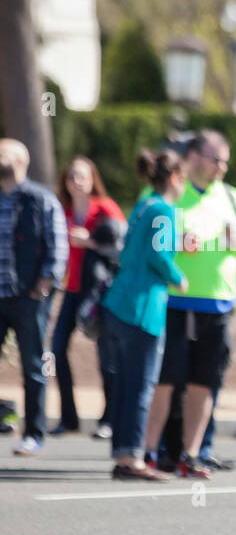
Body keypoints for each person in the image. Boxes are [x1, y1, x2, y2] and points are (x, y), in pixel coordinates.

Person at [144, 130, 236, 478]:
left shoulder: (232, 196)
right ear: (194, 157)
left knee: (204, 381)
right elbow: (146, 236)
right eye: (216, 159)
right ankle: (151, 452)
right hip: (172, 301)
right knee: (166, 380)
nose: (222, 167)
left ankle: (191, 455)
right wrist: (177, 242)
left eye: (225, 160)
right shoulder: (171, 192)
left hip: (217, 305)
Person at [99, 149, 188, 479]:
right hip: (143, 308)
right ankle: (133, 458)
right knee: (141, 386)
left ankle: (122, 455)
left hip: (118, 305)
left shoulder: (144, 204)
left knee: (123, 384)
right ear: (176, 178)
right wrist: (179, 277)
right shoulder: (165, 209)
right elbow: (159, 255)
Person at [0, 138, 68, 456]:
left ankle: (34, 432)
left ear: (21, 161)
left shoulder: (40, 199)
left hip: (28, 296)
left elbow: (58, 245)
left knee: (34, 365)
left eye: (4, 155)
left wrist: (45, 283)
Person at [51, 156, 124, 438]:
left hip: (99, 291)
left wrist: (90, 241)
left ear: (93, 179)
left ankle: (109, 418)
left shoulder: (105, 208)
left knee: (106, 356)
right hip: (71, 290)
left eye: (82, 176)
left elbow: (123, 245)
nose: (77, 181)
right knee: (57, 349)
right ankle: (68, 417)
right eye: (71, 176)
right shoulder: (64, 210)